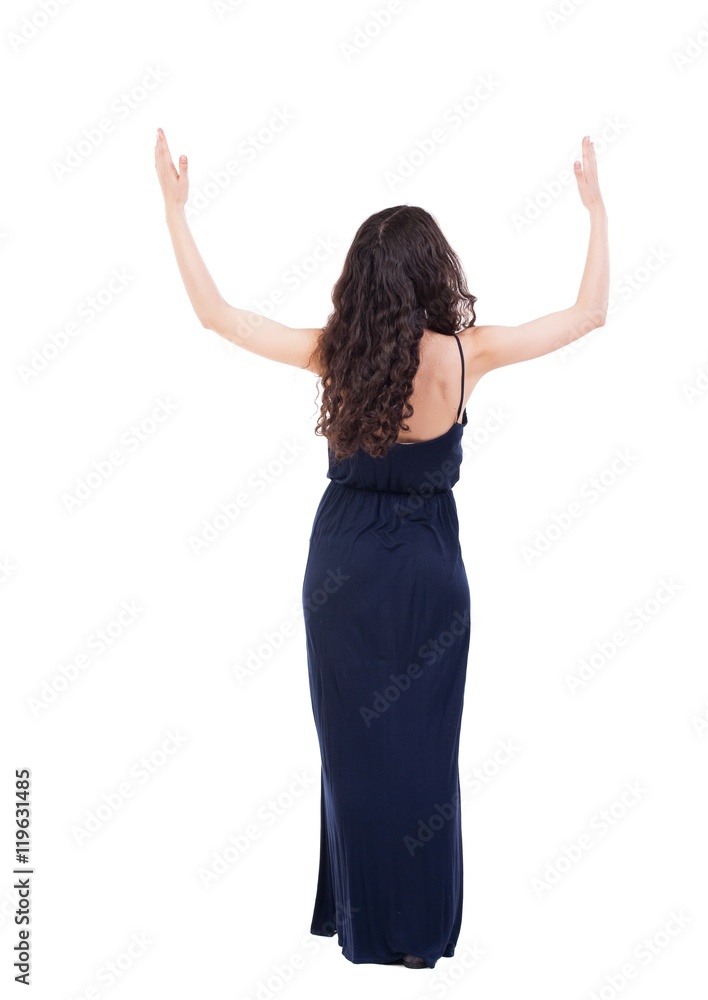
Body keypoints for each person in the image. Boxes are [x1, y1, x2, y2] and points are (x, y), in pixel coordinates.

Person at [155, 130, 609, 969]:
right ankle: (416, 935)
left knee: (352, 755)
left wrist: (175, 212)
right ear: (435, 273)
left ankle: (363, 923)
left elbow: (216, 316)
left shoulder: (337, 355)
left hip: (342, 571)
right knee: (424, 762)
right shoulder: (468, 356)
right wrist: (594, 211)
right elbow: (588, 315)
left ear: (360, 282)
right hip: (428, 573)